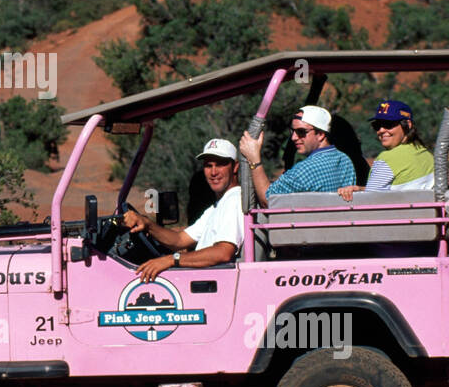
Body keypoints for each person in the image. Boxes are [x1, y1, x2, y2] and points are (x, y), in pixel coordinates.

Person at [122, 138, 244, 281]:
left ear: (235, 167)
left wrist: (171, 260)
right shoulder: (217, 206)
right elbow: (179, 240)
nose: (213, 172)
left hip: (215, 284)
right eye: (208, 165)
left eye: (220, 164)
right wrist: (147, 224)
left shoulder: (234, 200)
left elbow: (223, 252)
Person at [239, 105, 356, 208]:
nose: (294, 137)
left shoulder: (305, 170)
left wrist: (254, 159)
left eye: (301, 132)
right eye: (292, 131)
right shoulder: (345, 160)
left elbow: (268, 201)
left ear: (320, 134)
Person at [338, 100, 434, 201]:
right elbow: (400, 191)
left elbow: (369, 201)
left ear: (408, 124)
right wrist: (360, 189)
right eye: (377, 125)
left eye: (388, 124)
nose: (381, 130)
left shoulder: (387, 159)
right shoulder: (427, 155)